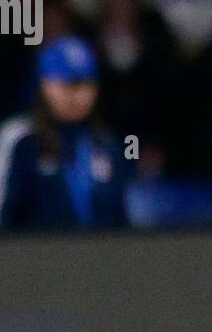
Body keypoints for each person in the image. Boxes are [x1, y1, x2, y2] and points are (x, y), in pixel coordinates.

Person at [0, 37, 127, 231]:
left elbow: (121, 223)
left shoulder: (106, 145)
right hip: (38, 258)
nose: (78, 95)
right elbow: (7, 218)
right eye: (68, 84)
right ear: (45, 85)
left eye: (86, 84)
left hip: (100, 258)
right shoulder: (23, 142)